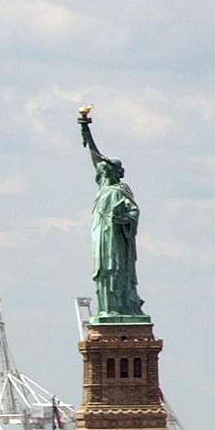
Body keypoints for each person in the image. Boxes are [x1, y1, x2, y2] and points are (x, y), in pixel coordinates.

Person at [80, 115, 145, 319]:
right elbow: (95, 156)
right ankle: (106, 308)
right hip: (101, 236)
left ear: (113, 172)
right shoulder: (104, 188)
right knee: (103, 271)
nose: (101, 170)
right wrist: (85, 131)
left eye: (105, 169)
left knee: (115, 269)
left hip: (116, 238)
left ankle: (122, 306)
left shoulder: (120, 190)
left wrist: (123, 219)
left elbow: (134, 212)